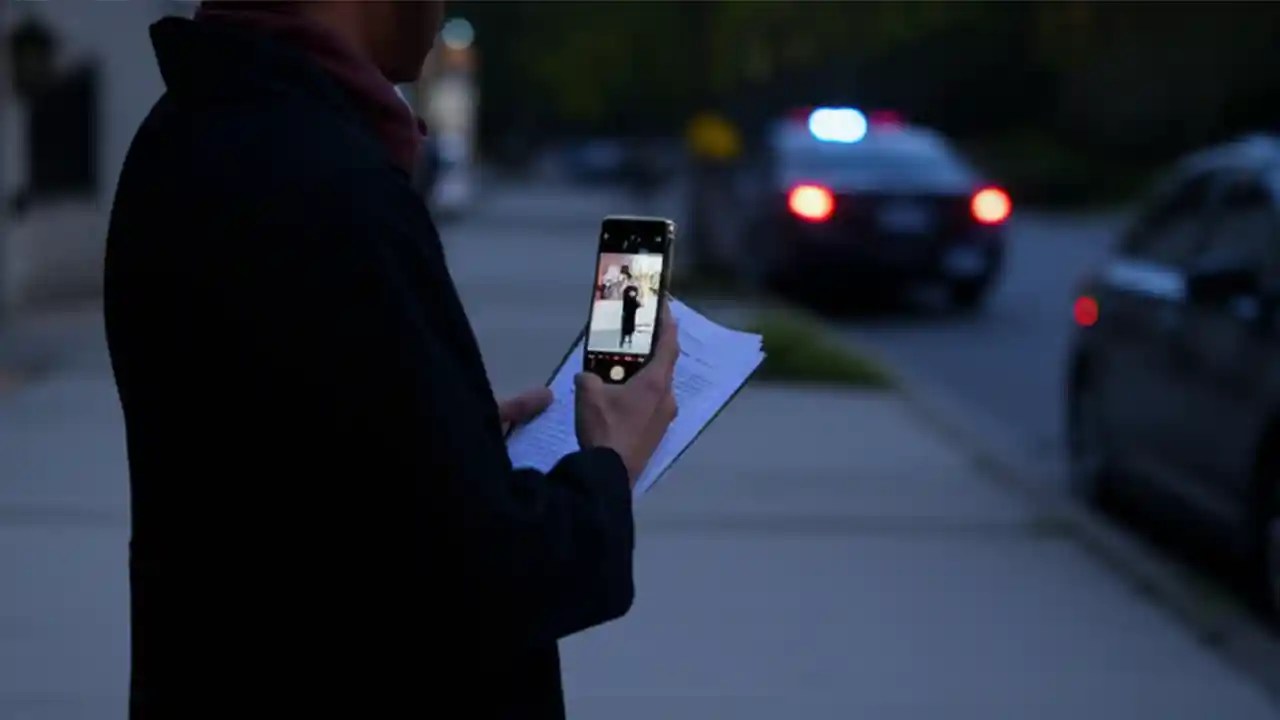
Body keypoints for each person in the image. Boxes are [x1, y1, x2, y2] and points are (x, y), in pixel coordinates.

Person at [102, 3, 679, 718]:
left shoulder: (188, 131)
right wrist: (611, 464)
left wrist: (449, 433)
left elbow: (300, 474)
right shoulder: (330, 186)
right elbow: (481, 581)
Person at [621, 285, 642, 349]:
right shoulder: (629, 298)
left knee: (628, 328)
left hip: (629, 315)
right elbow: (637, 305)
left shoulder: (630, 298)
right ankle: (624, 339)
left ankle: (627, 339)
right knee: (626, 328)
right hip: (628, 315)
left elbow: (638, 305)